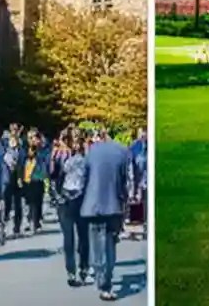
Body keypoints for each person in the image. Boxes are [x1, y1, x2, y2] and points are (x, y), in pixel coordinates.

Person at [81, 127, 130, 302]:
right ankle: (106, 281)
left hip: (93, 205)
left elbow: (84, 177)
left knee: (97, 245)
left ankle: (101, 279)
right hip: (114, 204)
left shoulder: (91, 151)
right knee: (111, 243)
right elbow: (125, 180)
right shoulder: (122, 151)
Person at [56, 130, 92, 287]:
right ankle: (72, 271)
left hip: (80, 200)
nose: (76, 144)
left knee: (83, 237)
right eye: (74, 141)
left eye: (79, 141)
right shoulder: (61, 158)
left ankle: (83, 268)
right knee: (69, 238)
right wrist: (58, 196)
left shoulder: (86, 160)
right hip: (67, 200)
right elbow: (54, 178)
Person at [23, 129, 49, 234]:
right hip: (28, 179)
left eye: (34, 137)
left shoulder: (42, 150)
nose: (32, 140)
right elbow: (21, 162)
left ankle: (37, 221)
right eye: (30, 138)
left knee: (38, 201)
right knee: (29, 202)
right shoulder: (24, 149)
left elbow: (45, 161)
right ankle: (29, 220)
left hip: (38, 177)